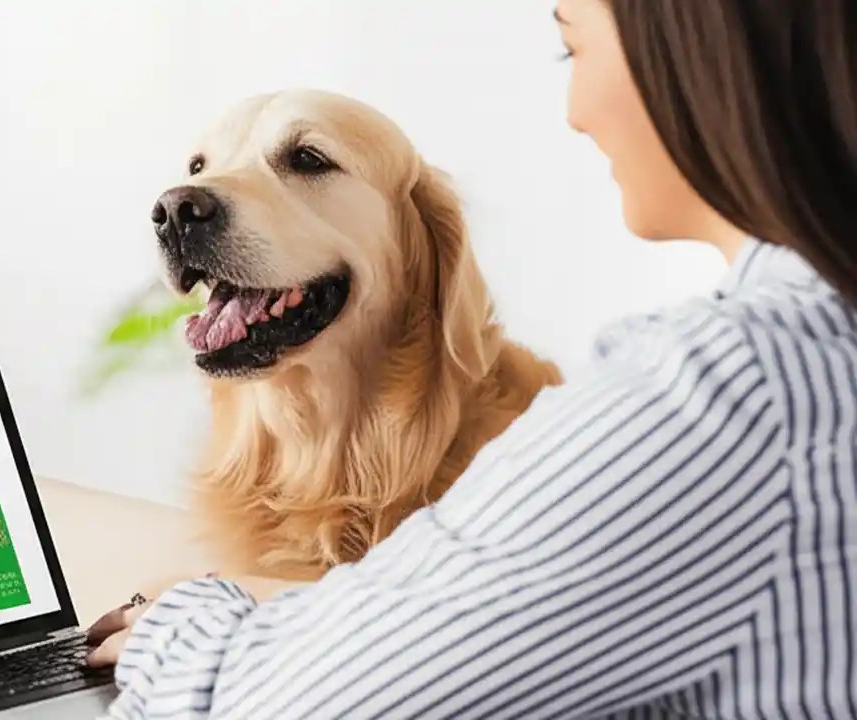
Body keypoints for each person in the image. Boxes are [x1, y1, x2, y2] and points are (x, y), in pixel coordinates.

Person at [89, 0, 857, 716]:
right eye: (196, 170)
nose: (575, 112)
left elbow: (284, 702)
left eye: (571, 48)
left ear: (691, 51)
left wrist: (184, 611)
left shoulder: (729, 394)